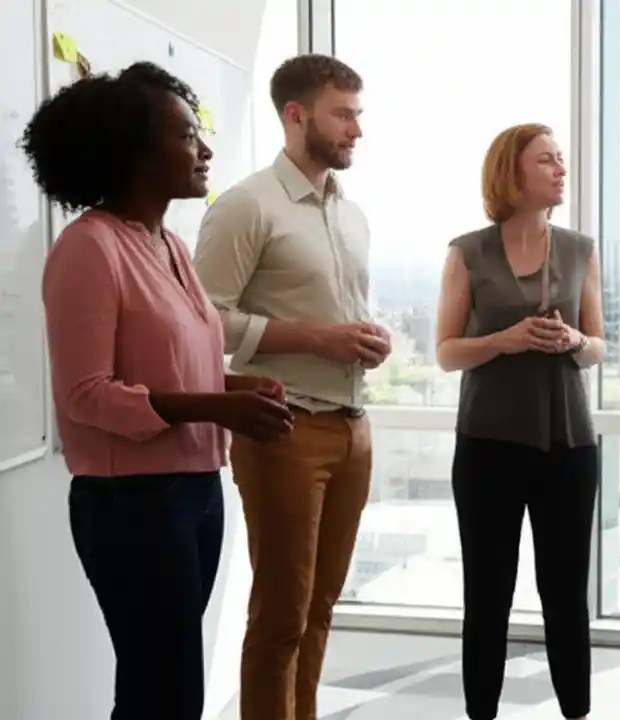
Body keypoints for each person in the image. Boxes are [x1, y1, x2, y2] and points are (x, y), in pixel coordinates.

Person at [24, 62, 292, 719]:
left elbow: (171, 369)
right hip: (131, 504)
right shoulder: (88, 248)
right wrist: (216, 405)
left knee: (165, 686)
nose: (204, 149)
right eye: (185, 135)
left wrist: (234, 388)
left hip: (196, 490)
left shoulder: (168, 242)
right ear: (135, 151)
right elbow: (85, 395)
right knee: (164, 692)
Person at [192, 54, 389, 720]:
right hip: (283, 431)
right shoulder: (246, 206)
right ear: (295, 115)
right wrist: (315, 338)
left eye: (358, 114)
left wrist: (367, 338)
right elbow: (206, 321)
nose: (356, 129)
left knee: (321, 610)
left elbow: (340, 314)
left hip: (352, 428)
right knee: (280, 617)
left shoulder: (350, 214)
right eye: (344, 114)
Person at [436, 123, 605, 720]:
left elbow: (598, 347)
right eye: (547, 160)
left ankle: (576, 712)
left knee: (565, 598)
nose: (561, 168)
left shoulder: (582, 248)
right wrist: (504, 340)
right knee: (487, 596)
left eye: (562, 158)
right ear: (512, 172)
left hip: (569, 444)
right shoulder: (466, 251)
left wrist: (573, 338)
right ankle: (480, 712)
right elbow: (446, 351)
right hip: (487, 447)